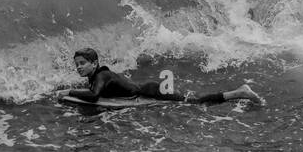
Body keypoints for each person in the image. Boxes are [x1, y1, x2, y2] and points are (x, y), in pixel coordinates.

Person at [57, 48, 262, 105]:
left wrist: (67, 91)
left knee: (195, 102)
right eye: (77, 65)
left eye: (83, 63)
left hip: (151, 91)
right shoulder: (99, 75)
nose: (79, 67)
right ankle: (239, 92)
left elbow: (93, 96)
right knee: (192, 100)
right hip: (149, 88)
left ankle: (239, 92)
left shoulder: (101, 76)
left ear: (94, 63)